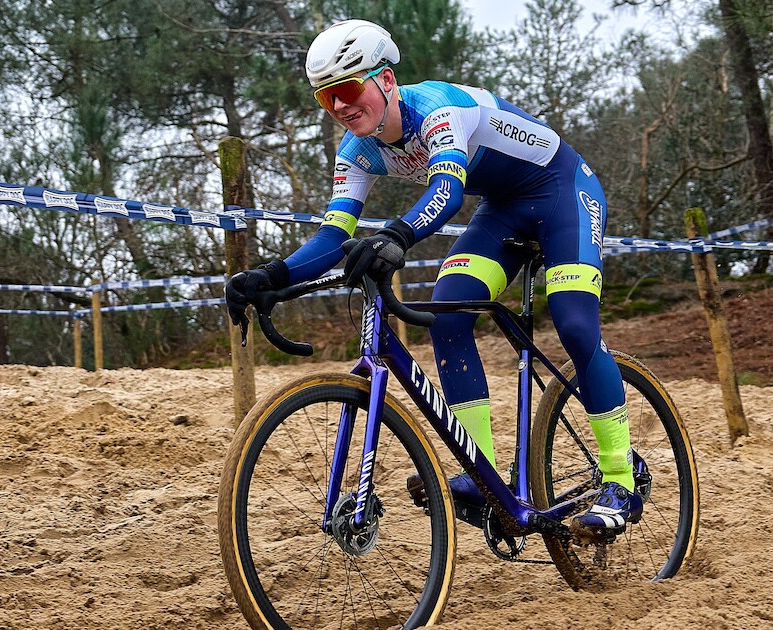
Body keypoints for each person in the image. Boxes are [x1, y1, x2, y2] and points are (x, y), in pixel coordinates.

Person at [226, 19, 640, 538]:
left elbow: (446, 190)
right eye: (325, 98)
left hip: (563, 191)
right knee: (447, 312)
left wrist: (398, 235)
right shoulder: (357, 151)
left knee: (575, 324)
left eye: (349, 89)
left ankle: (621, 481)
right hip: (504, 207)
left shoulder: (439, 110)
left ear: (387, 82)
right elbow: (332, 237)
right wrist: (271, 275)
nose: (339, 107)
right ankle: (484, 475)